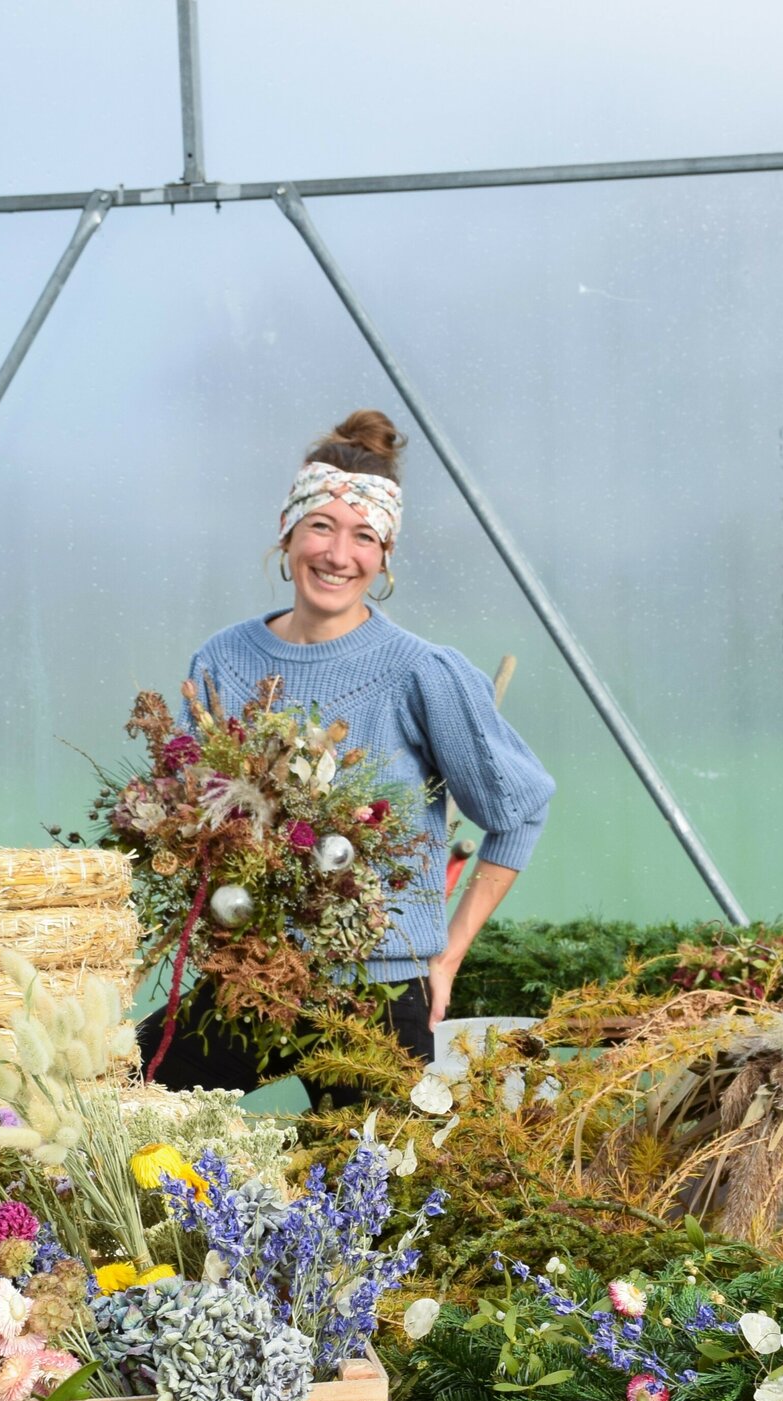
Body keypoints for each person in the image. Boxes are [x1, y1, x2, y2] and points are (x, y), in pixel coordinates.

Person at [137, 408, 554, 1097]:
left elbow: (518, 811)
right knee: (120, 1092)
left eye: (364, 536)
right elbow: (187, 824)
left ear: (385, 555)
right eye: (321, 527)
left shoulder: (422, 671)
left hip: (377, 998)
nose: (338, 554)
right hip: (250, 980)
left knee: (368, 1192)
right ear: (287, 532)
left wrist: (446, 956)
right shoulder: (223, 661)